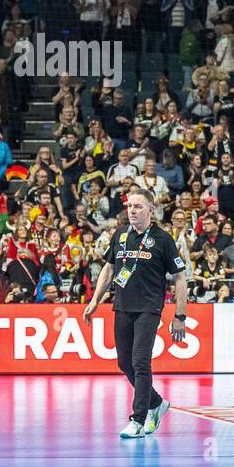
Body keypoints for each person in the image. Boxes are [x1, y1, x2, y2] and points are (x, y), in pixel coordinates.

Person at [83, 188, 188, 439]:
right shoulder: (119, 235)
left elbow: (180, 278)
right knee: (124, 363)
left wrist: (180, 315)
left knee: (141, 362)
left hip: (149, 308)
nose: (132, 210)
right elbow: (108, 270)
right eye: (130, 206)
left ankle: (138, 420)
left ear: (151, 210)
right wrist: (95, 300)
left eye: (138, 206)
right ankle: (156, 403)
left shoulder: (163, 239)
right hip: (122, 306)